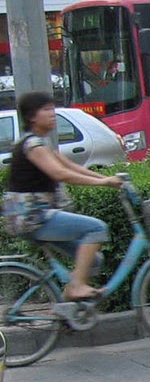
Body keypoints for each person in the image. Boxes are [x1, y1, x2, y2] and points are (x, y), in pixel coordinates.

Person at [2, 93, 125, 302]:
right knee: (97, 228)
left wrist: (107, 178)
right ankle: (75, 287)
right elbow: (60, 173)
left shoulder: (41, 143)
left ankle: (65, 307)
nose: (53, 114)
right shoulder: (33, 146)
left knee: (93, 260)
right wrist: (103, 183)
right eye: (46, 110)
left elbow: (72, 166)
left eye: (52, 109)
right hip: (33, 217)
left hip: (35, 216)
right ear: (32, 117)